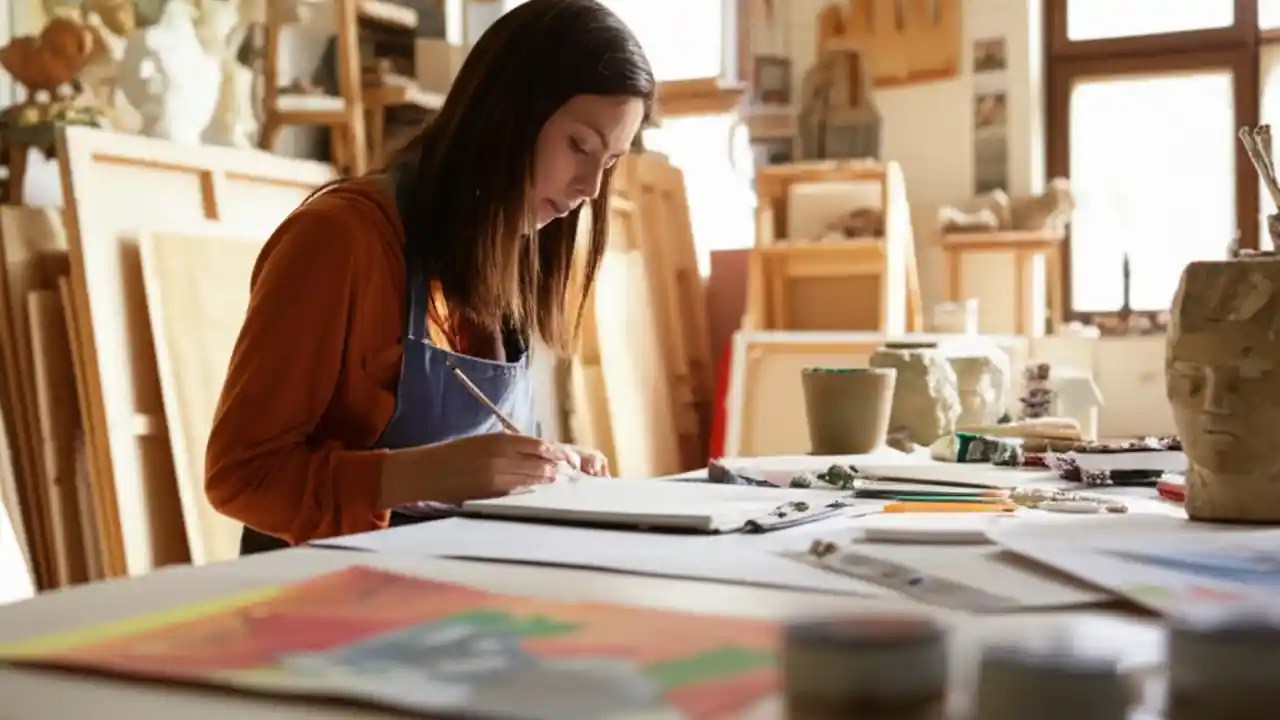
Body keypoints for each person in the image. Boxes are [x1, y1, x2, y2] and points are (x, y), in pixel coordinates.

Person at [205, 0, 656, 554]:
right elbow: (241, 477)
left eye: (608, 162)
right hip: (316, 605)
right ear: (506, 113)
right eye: (579, 146)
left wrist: (542, 468)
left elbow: (469, 454)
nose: (589, 186)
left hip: (446, 591)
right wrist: (419, 475)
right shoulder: (338, 240)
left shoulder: (503, 246)